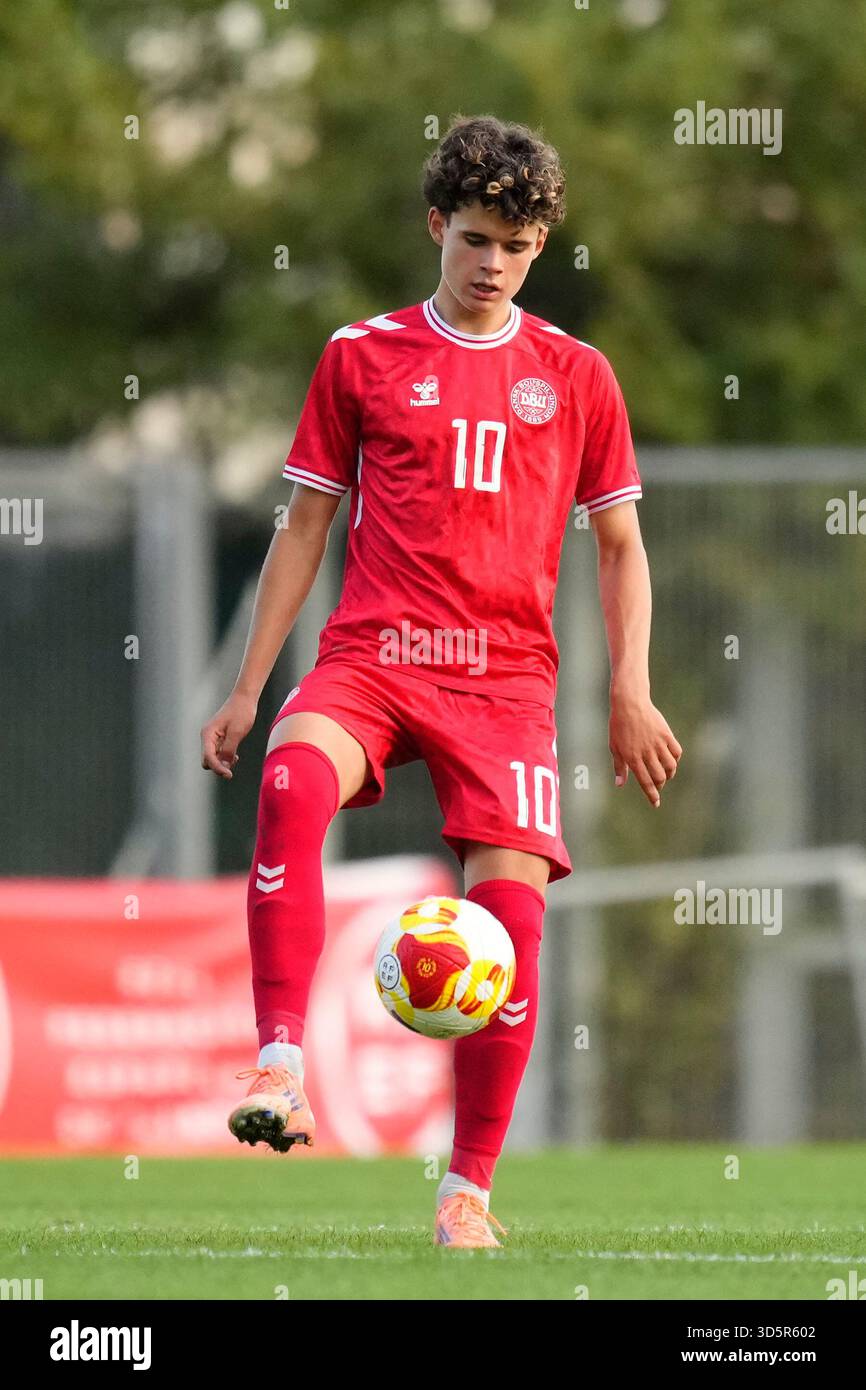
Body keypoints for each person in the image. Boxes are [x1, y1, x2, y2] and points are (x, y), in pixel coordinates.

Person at [200, 113, 682, 1248]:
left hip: (506, 681)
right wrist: (247, 687)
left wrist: (632, 686)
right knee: (288, 782)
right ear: (436, 224)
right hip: (372, 654)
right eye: (474, 239)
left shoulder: (575, 376)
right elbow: (304, 528)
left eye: (516, 247)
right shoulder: (357, 355)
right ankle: (278, 1067)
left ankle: (465, 1191)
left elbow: (618, 545)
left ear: (540, 245)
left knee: (508, 923)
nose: (491, 264)